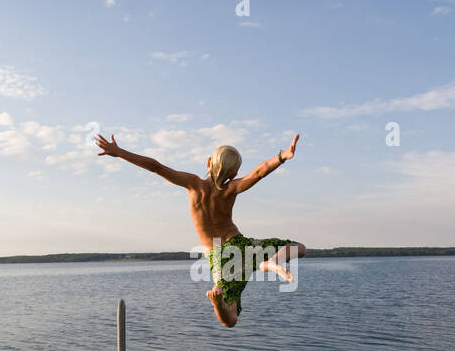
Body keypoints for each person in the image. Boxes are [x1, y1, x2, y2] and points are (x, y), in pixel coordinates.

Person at [94, 132, 306, 327]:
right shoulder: (231, 188)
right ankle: (272, 261)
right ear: (233, 175)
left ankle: (218, 303)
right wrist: (282, 156)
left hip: (221, 257)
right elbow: (259, 172)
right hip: (241, 244)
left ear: (208, 162)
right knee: (299, 247)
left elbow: (156, 166)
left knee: (230, 319)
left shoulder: (193, 185)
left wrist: (120, 152)